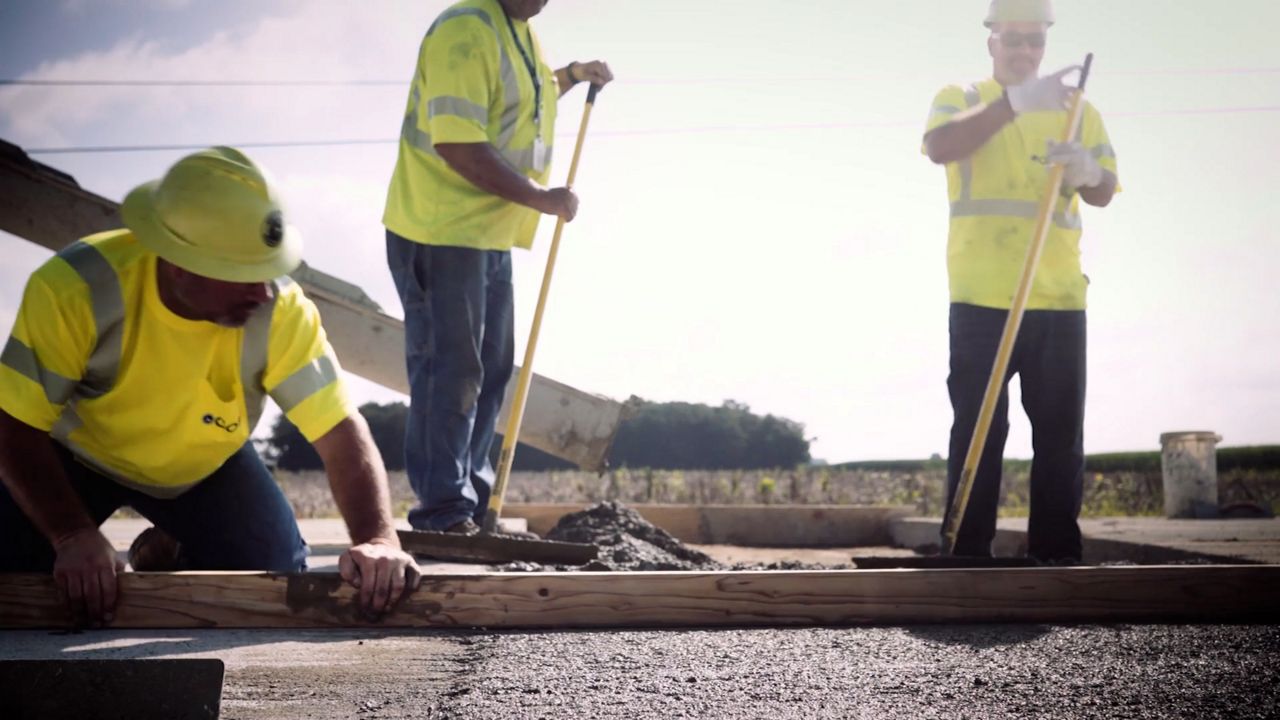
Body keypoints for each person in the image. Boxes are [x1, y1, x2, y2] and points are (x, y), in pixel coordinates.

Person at [0, 147, 420, 626]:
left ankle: (174, 542)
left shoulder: (281, 310)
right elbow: (13, 424)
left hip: (204, 468)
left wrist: (379, 539)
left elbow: (340, 432)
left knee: (272, 571)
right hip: (75, 460)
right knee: (17, 567)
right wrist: (70, 536)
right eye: (242, 275)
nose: (261, 292)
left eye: (267, 271)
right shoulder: (77, 287)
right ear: (178, 263)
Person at [383, 0, 613, 535]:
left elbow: (526, 97)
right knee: (451, 371)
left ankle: (472, 505)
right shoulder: (466, 30)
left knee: (488, 372)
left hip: (486, 234)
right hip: (438, 230)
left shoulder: (519, 33)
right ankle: (442, 513)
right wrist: (540, 198)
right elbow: (457, 142)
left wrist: (573, 77)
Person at [922, 0, 1119, 562]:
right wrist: (1012, 105)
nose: (1026, 51)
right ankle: (966, 550)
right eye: (1014, 39)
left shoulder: (1080, 112)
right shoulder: (961, 98)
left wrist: (1089, 170)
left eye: (1035, 40)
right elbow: (940, 147)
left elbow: (1105, 191)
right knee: (979, 429)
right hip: (982, 296)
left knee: (1059, 434)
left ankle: (1056, 555)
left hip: (1057, 297)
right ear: (992, 41)